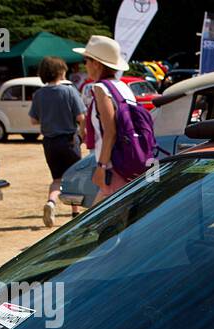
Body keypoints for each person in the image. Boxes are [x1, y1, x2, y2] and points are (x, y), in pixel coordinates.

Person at [73, 35, 135, 204]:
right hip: (127, 162)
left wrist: (100, 167)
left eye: (86, 60)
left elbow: (110, 131)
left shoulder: (101, 89)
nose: (84, 66)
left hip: (112, 167)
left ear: (97, 63)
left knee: (96, 223)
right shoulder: (122, 87)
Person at [29, 56, 85, 227]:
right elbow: (81, 117)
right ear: (61, 72)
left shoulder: (39, 94)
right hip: (69, 141)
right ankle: (75, 214)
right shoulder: (69, 91)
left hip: (50, 143)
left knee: (57, 179)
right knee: (74, 178)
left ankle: (51, 203)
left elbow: (33, 120)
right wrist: (82, 135)